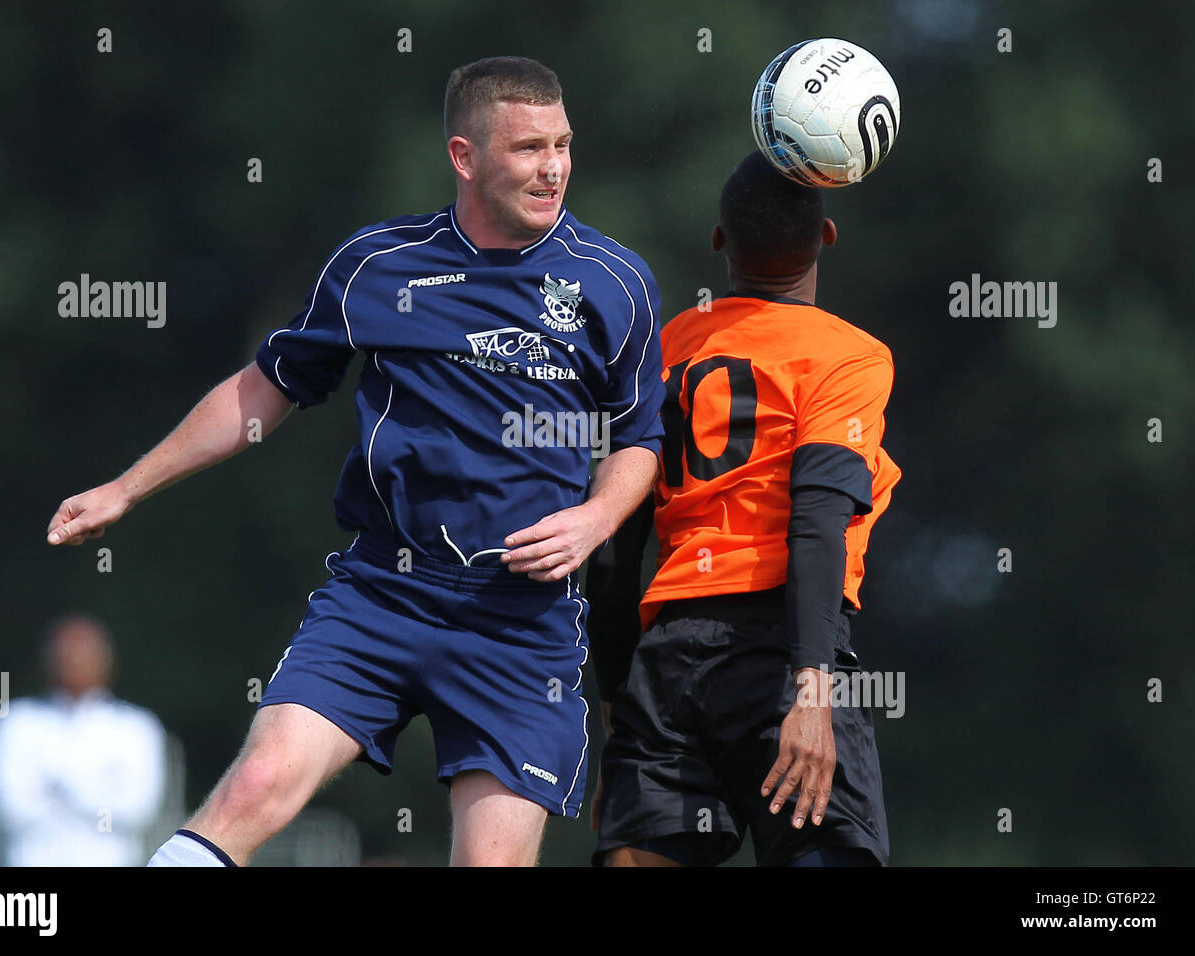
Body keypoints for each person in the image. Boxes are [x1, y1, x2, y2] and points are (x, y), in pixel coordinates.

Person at [45, 56, 664, 867]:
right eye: (527, 148)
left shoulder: (614, 282)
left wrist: (595, 516)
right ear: (464, 156)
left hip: (522, 624)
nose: (552, 169)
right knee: (255, 787)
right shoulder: (378, 265)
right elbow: (266, 391)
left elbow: (640, 440)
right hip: (382, 595)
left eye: (563, 144)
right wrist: (127, 487)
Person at [587, 152, 901, 867]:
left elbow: (608, 557)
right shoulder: (847, 358)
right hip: (783, 656)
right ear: (826, 237)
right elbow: (817, 522)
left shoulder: (660, 356)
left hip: (667, 665)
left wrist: (620, 723)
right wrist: (812, 692)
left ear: (719, 242)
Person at [0, 613, 167, 866]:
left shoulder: (136, 727)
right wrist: (99, 791)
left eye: (83, 652)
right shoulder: (15, 722)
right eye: (64, 653)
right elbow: (11, 809)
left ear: (106, 660)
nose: (73, 661)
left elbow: (138, 809)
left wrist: (63, 790)